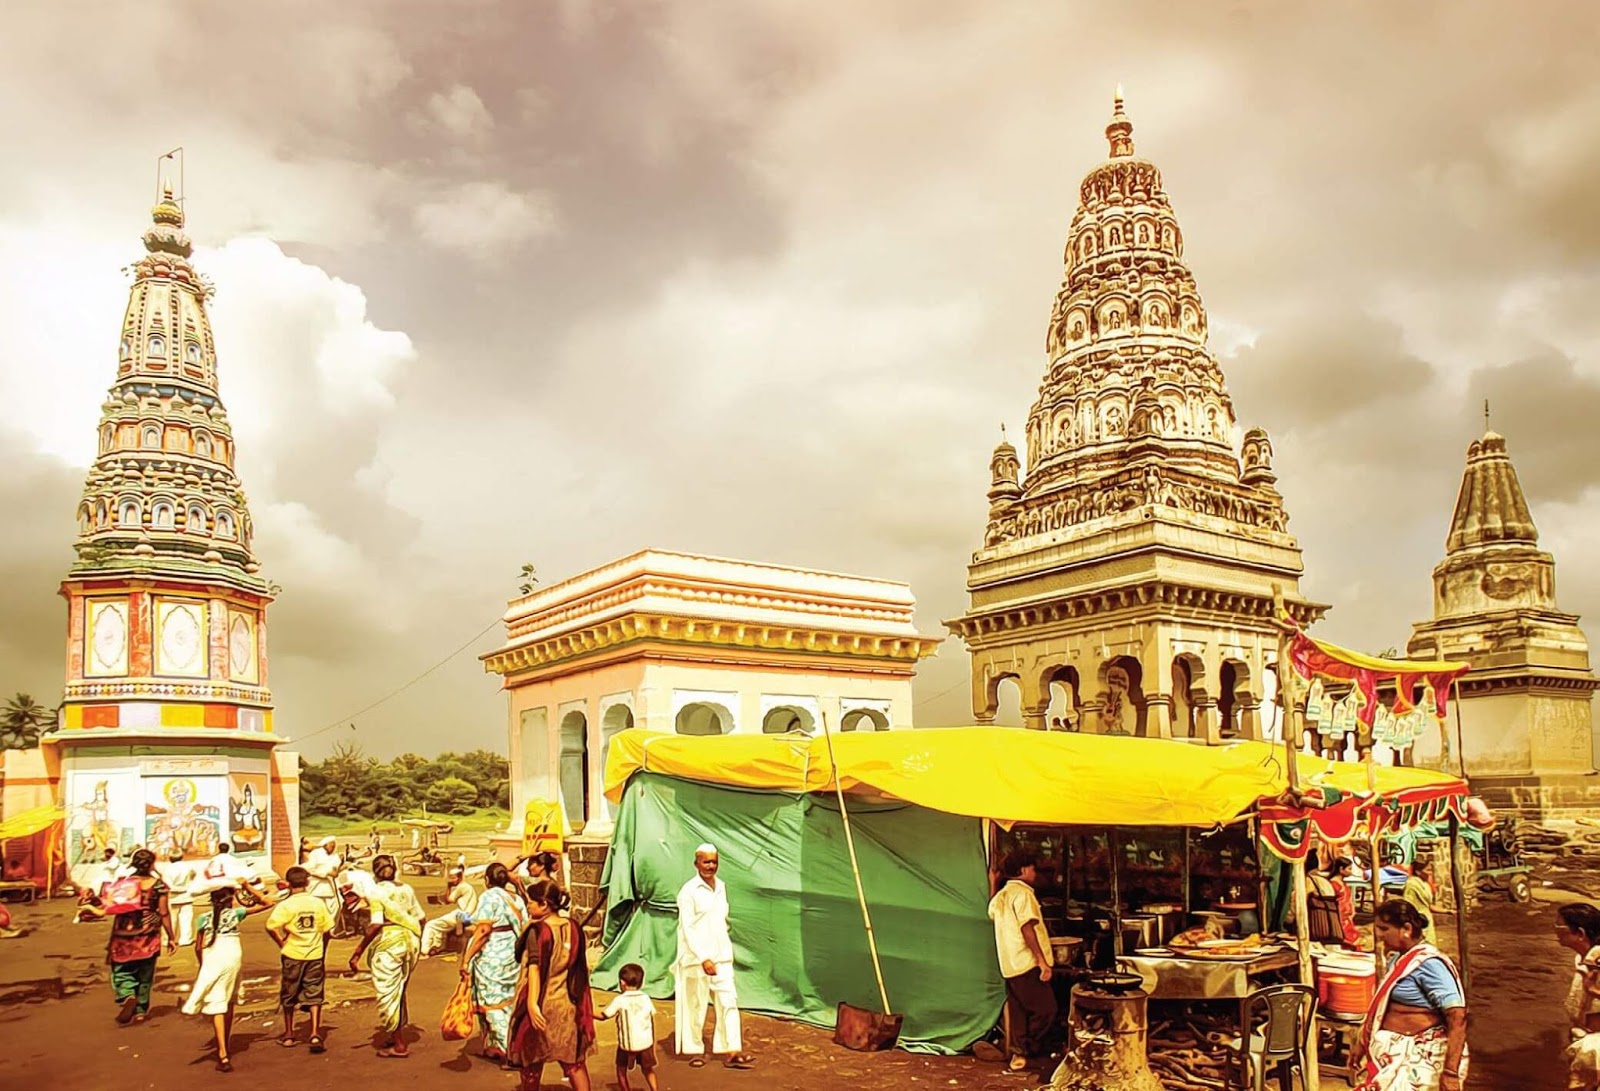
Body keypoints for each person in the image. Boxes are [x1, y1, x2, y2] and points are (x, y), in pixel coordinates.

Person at [1355, 898, 1467, 1091]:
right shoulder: (1399, 959)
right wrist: (1362, 1041)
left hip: (1418, 1058)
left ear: (1406, 929)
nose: (1378, 935)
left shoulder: (1430, 965)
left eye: (1384, 928)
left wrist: (1450, 1072)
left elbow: (1457, 1017)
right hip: (1393, 1055)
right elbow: (1383, 1005)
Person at [674, 843, 755, 1070]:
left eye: (714, 862)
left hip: (722, 956)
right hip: (695, 959)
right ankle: (695, 1050)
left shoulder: (721, 886)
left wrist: (719, 950)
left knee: (728, 1001)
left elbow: (722, 920)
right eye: (706, 861)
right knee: (696, 1004)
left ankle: (731, 1051)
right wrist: (703, 957)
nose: (710, 866)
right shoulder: (688, 892)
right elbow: (687, 928)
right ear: (696, 863)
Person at [510, 879, 596, 1090]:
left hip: (543, 1004)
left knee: (531, 1062)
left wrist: (531, 1005)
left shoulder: (538, 931)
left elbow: (534, 969)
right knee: (574, 1063)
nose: (528, 906)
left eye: (531, 902)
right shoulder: (573, 927)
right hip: (568, 1004)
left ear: (544, 905)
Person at [183, 880, 278, 1071]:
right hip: (232, 956)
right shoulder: (236, 914)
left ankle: (223, 1052)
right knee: (229, 999)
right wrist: (247, 886)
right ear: (230, 899)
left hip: (213, 957)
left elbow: (198, 946)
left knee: (217, 1002)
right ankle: (224, 1042)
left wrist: (203, 966)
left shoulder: (203, 918)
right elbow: (269, 902)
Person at [347, 854, 425, 1058]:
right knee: (399, 989)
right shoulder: (406, 889)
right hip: (412, 940)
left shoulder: (376, 892)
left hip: (390, 944)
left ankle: (399, 1045)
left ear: (375, 873)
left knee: (389, 993)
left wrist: (357, 952)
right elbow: (422, 918)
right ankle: (394, 1032)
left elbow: (376, 924)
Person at [988, 850, 1056, 1074]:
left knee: (1019, 1012)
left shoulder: (1002, 895)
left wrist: (993, 883)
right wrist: (1042, 961)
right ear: (1023, 870)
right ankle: (1030, 1052)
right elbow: (1027, 928)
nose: (1035, 872)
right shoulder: (1023, 894)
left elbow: (991, 910)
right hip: (1026, 962)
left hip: (1009, 964)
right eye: (1033, 868)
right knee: (1046, 1010)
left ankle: (1019, 1054)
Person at [463, 861, 530, 1064]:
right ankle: (496, 1046)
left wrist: (466, 959)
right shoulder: (516, 898)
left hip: (492, 958)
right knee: (508, 1002)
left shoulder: (488, 897)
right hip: (512, 954)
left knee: (492, 1004)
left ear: (486, 880)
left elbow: (483, 931)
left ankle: (510, 1051)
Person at [266, 865, 335, 1052]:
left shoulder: (286, 905)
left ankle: (289, 1034)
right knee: (314, 993)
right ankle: (314, 1033)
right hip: (314, 953)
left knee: (289, 993)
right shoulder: (317, 903)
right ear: (307, 882)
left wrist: (281, 942)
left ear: (288, 884)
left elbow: (271, 926)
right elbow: (329, 930)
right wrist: (323, 947)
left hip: (292, 953)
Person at [105, 848, 176, 1024]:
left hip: (123, 933)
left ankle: (127, 995)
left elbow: (113, 908)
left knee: (121, 970)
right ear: (152, 864)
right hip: (148, 934)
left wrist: (111, 938)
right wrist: (171, 937)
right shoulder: (159, 885)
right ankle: (140, 1011)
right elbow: (164, 912)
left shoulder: (123, 883)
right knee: (145, 973)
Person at [1555, 902, 1600, 1090]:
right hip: (1583, 1041)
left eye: (1559, 927)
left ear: (1580, 933)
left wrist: (1593, 990)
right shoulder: (1583, 959)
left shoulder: (1598, 961)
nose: (1555, 931)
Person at [598, 962, 660, 1091]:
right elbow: (652, 1017)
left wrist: (586, 1012)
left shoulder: (620, 1000)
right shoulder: (646, 998)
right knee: (648, 1070)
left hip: (627, 1045)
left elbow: (604, 1015)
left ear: (622, 982)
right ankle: (654, 1089)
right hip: (645, 1043)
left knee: (621, 1070)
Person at [423, 866, 480, 957]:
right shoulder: (468, 887)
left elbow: (449, 900)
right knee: (441, 924)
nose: (451, 880)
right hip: (470, 915)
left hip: (463, 915)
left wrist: (449, 887)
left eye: (454, 878)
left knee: (431, 924)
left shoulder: (461, 887)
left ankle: (425, 950)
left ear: (460, 877)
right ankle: (436, 945)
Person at [158, 851, 200, 947]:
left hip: (172, 896)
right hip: (186, 895)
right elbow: (193, 875)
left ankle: (168, 939)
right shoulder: (188, 867)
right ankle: (185, 939)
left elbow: (167, 884)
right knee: (186, 918)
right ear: (181, 857)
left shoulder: (167, 869)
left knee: (171, 919)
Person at [304, 836, 344, 922]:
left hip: (330, 887)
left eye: (334, 845)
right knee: (315, 909)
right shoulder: (315, 854)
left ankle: (329, 928)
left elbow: (335, 870)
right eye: (331, 845)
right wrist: (325, 873)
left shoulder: (335, 857)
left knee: (337, 906)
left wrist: (334, 871)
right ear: (325, 845)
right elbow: (309, 868)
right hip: (316, 886)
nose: (332, 847)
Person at [1401, 859, 1438, 947]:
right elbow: (1408, 903)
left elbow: (1429, 905)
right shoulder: (1411, 884)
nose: (1430, 873)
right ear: (1418, 872)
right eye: (1427, 870)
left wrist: (1448, 911)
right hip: (1417, 918)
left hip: (1427, 918)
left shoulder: (1425, 884)